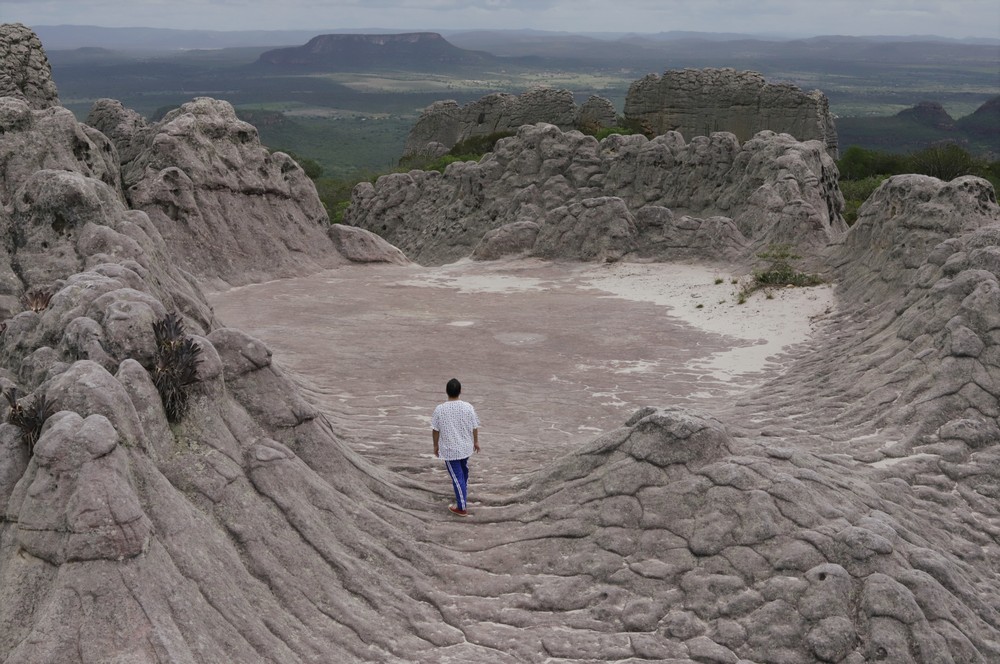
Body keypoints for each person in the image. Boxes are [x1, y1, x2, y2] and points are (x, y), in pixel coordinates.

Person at [431, 378, 481, 517]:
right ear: (460, 391)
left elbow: (435, 429)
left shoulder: (440, 409)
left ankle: (461, 507)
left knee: (457, 477)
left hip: (450, 449)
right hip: (465, 447)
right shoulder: (468, 407)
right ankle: (462, 496)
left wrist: (435, 445)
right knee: (463, 473)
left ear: (446, 392)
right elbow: (474, 426)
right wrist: (476, 442)